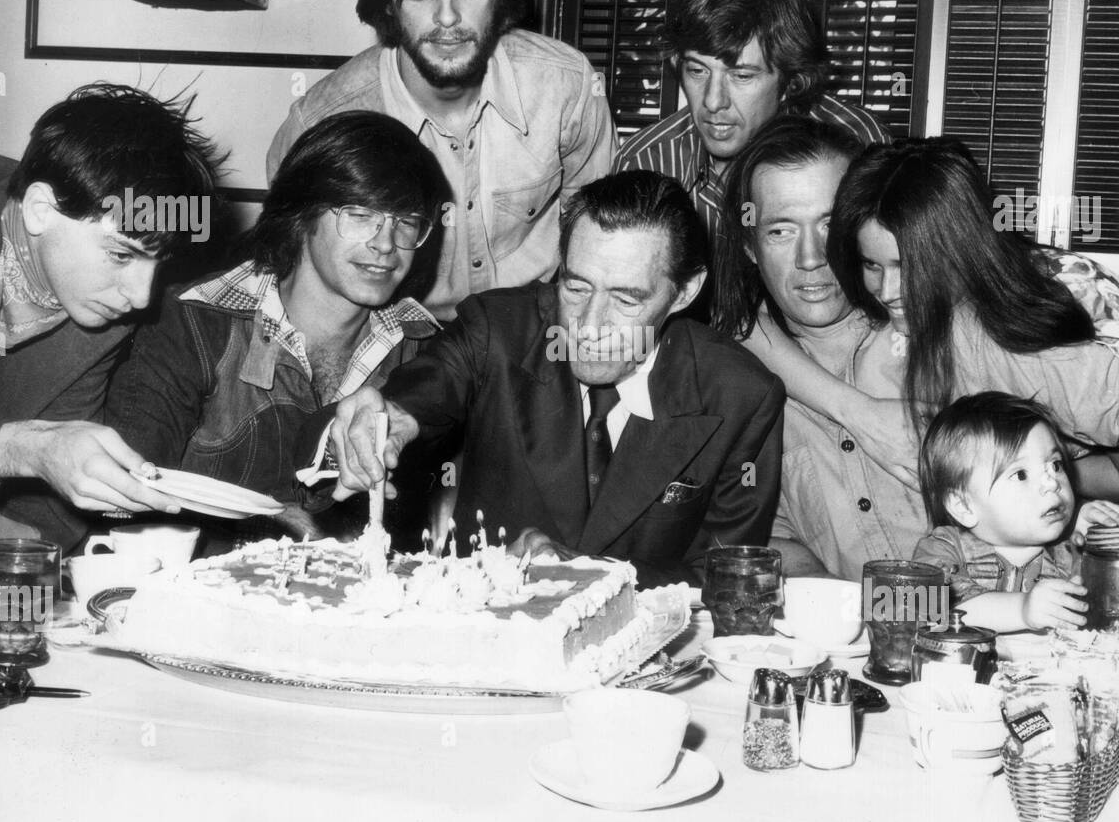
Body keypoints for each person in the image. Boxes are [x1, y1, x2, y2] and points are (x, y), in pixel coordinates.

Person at [305, 171, 786, 587]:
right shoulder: (499, 330)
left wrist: (589, 572)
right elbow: (430, 388)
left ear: (684, 292)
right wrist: (391, 420)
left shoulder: (739, 395)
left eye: (626, 299)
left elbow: (724, 577)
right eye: (576, 287)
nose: (589, 327)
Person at [827, 136, 1119, 585]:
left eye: (909, 266)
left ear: (958, 251)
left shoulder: (995, 337)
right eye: (873, 266)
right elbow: (748, 327)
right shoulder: (956, 299)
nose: (889, 291)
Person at [267, 0, 616, 321]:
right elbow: (291, 271)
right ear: (389, 2)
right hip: (391, 343)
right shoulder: (320, 121)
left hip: (530, 332)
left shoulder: (566, 86)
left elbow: (595, 240)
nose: (448, 17)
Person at [106, 112, 448, 537]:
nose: (385, 243)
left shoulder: (428, 349)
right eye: (360, 214)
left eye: (406, 222)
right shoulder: (192, 321)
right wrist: (269, 523)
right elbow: (122, 500)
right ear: (302, 213)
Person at [0, 84, 222, 548]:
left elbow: (49, 494)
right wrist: (22, 448)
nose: (140, 299)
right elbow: (35, 450)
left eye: (158, 264)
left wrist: (32, 566)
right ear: (40, 210)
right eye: (121, 254)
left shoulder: (102, 311)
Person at [712, 117, 926, 579]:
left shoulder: (939, 344)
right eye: (780, 231)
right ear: (749, 245)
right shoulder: (734, 386)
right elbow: (757, 534)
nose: (811, 258)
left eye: (830, 224)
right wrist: (828, 599)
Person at [615, 0, 890, 244]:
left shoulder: (860, 143)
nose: (713, 101)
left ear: (790, 82)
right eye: (698, 71)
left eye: (742, 76)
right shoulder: (644, 162)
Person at [914, 393, 1119, 633]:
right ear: (964, 506)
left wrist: (1107, 549)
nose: (1052, 483)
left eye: (1055, 465)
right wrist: (1022, 610)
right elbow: (925, 612)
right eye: (1020, 474)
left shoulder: (1071, 553)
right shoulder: (943, 548)